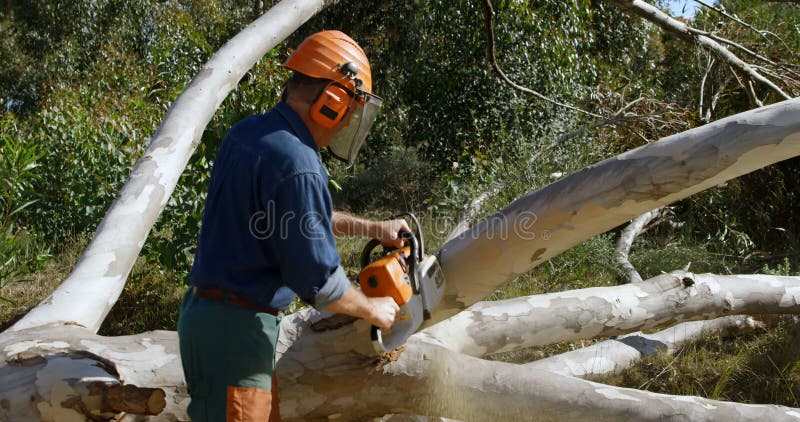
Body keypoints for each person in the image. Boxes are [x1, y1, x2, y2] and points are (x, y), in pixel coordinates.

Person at [177, 30, 404, 421]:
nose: (347, 120)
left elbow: (298, 219)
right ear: (331, 102)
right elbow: (320, 285)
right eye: (349, 109)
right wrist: (375, 309)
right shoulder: (297, 162)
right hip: (238, 333)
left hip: (205, 318)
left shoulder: (250, 134)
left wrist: (373, 228)